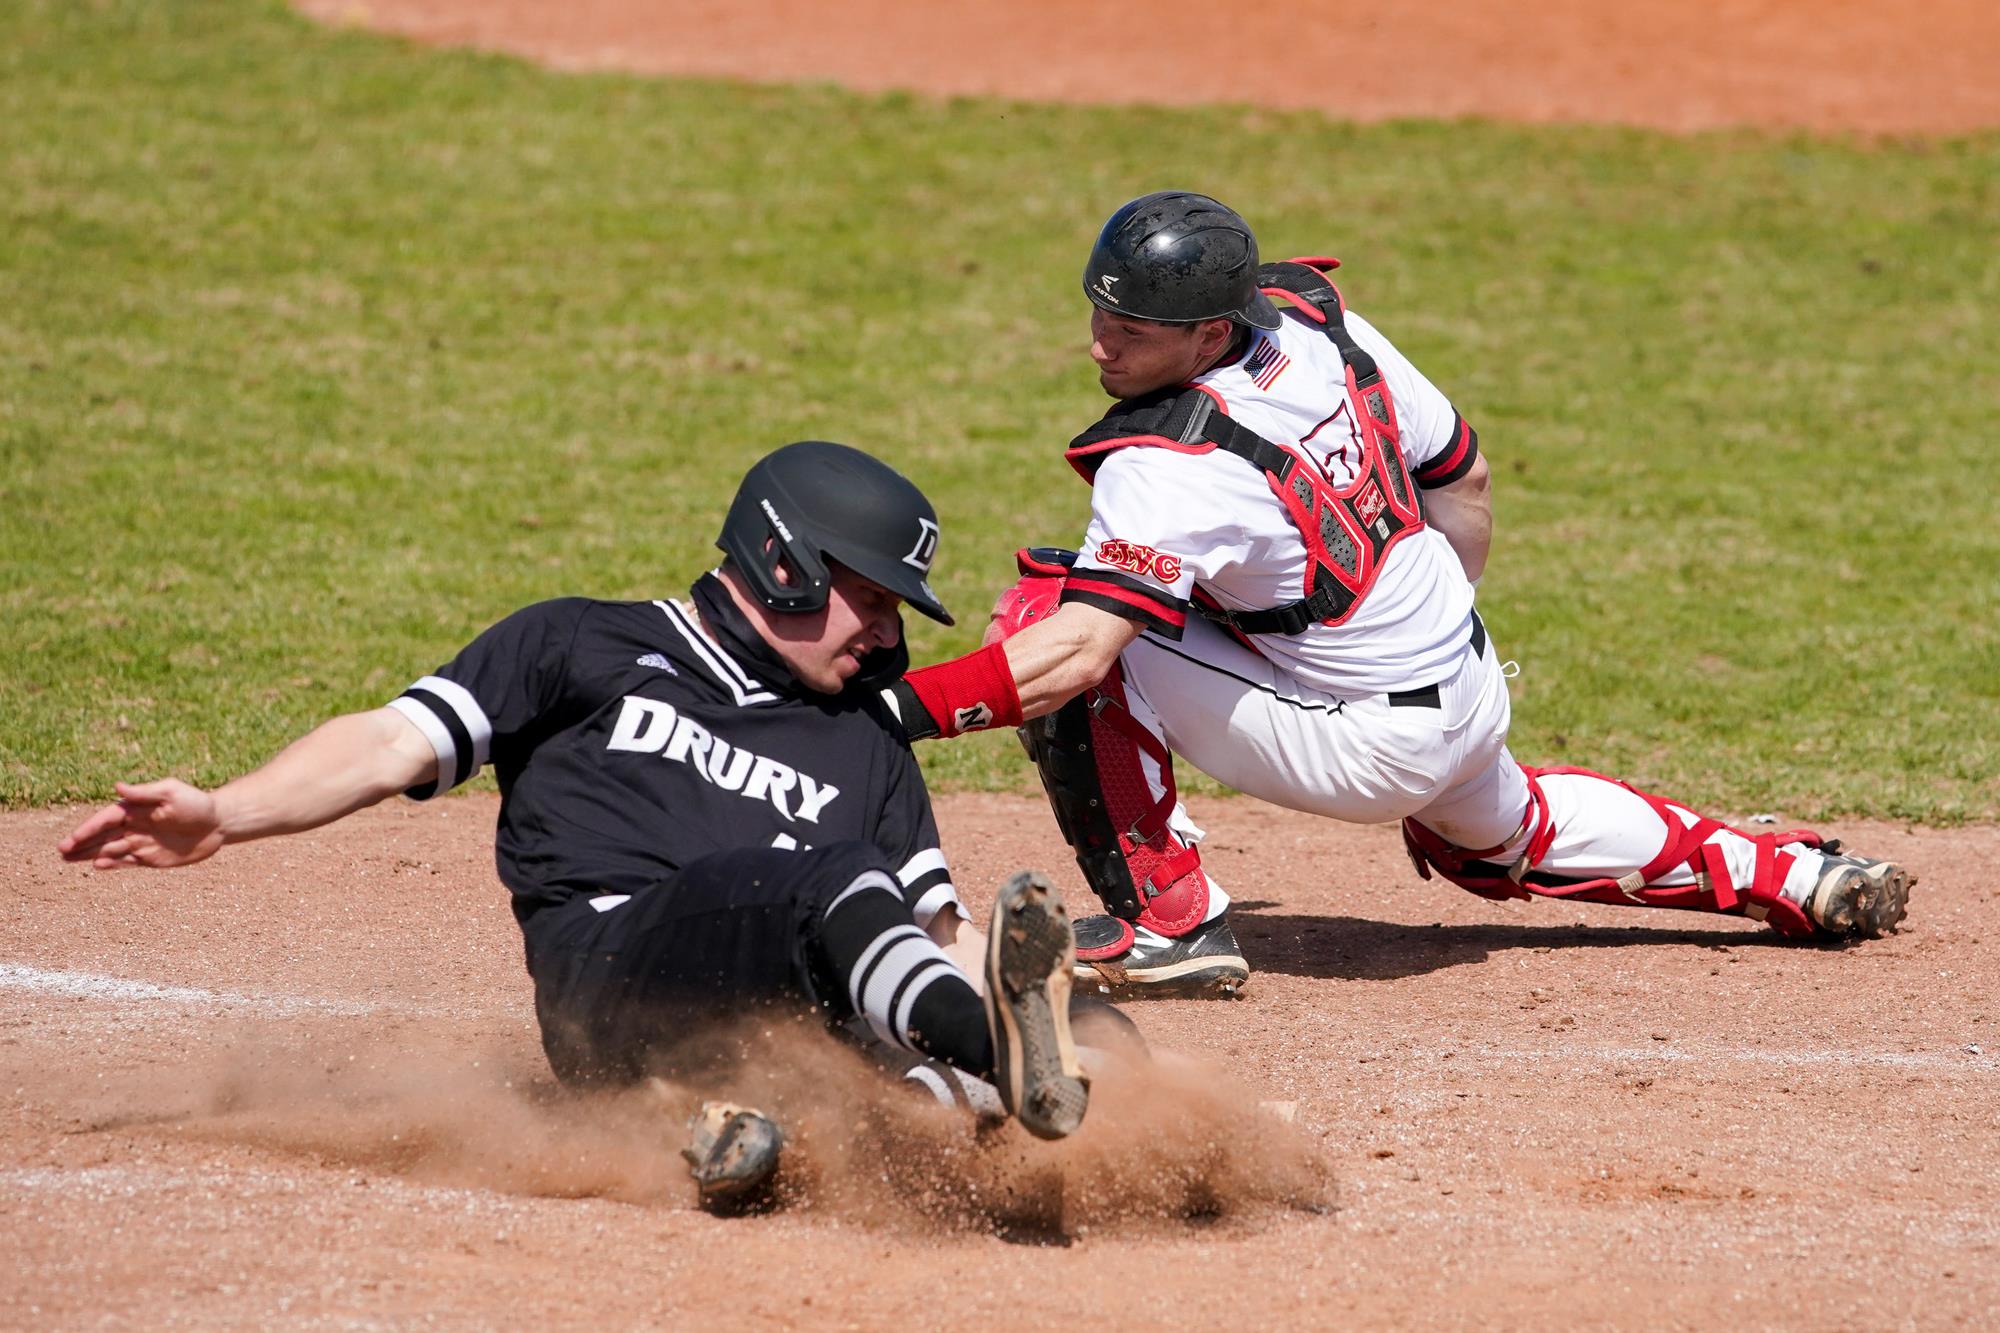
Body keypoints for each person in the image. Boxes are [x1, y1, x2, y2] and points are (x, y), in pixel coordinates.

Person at [882, 191, 1915, 996]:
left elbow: (1074, 655)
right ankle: (1792, 877)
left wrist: (890, 711)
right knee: (1506, 836)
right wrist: (1418, 622)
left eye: (1134, 330)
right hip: (1465, 680)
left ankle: (1167, 922)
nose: (1100, 345)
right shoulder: (1325, 331)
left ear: (1206, 336)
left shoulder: (1166, 464)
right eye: (1100, 313)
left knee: (1050, 609)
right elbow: (1461, 475)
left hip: (1362, 744)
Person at [58, 441, 1092, 1209]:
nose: (885, 631)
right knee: (836, 887)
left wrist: (1074, 1021)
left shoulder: (863, 742)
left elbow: (938, 934)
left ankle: (803, 1131)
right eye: (869, 597)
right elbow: (387, 744)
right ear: (787, 560)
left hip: (791, 1014)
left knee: (1001, 1029)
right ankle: (995, 1063)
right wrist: (224, 813)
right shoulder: (581, 644)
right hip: (612, 980)